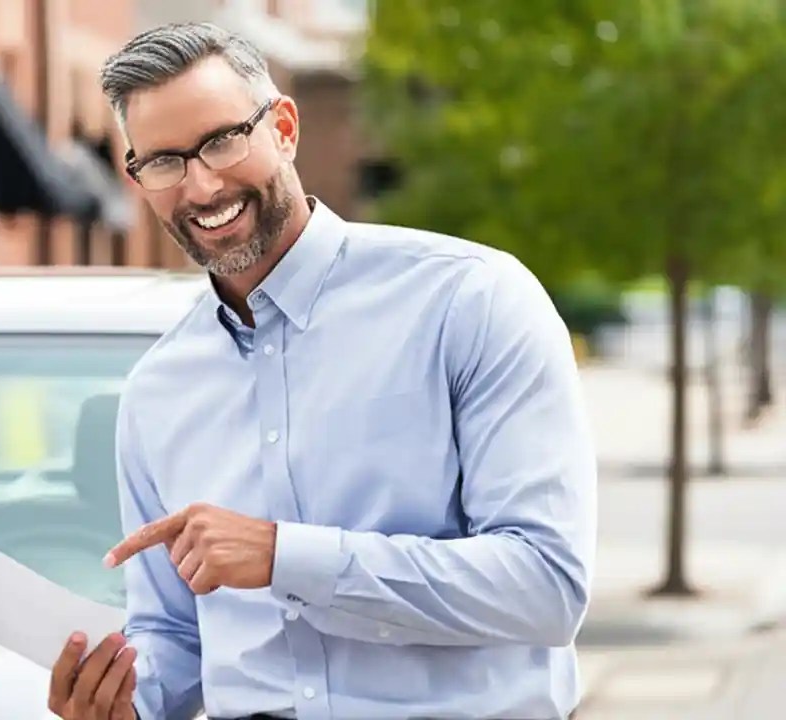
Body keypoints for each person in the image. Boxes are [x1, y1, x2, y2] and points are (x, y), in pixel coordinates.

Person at [46, 21, 597, 720]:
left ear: (283, 126)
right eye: (164, 162)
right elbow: (175, 636)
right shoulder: (159, 388)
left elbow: (546, 587)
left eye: (221, 141)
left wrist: (285, 557)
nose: (202, 184)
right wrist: (126, 700)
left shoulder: (468, 301)